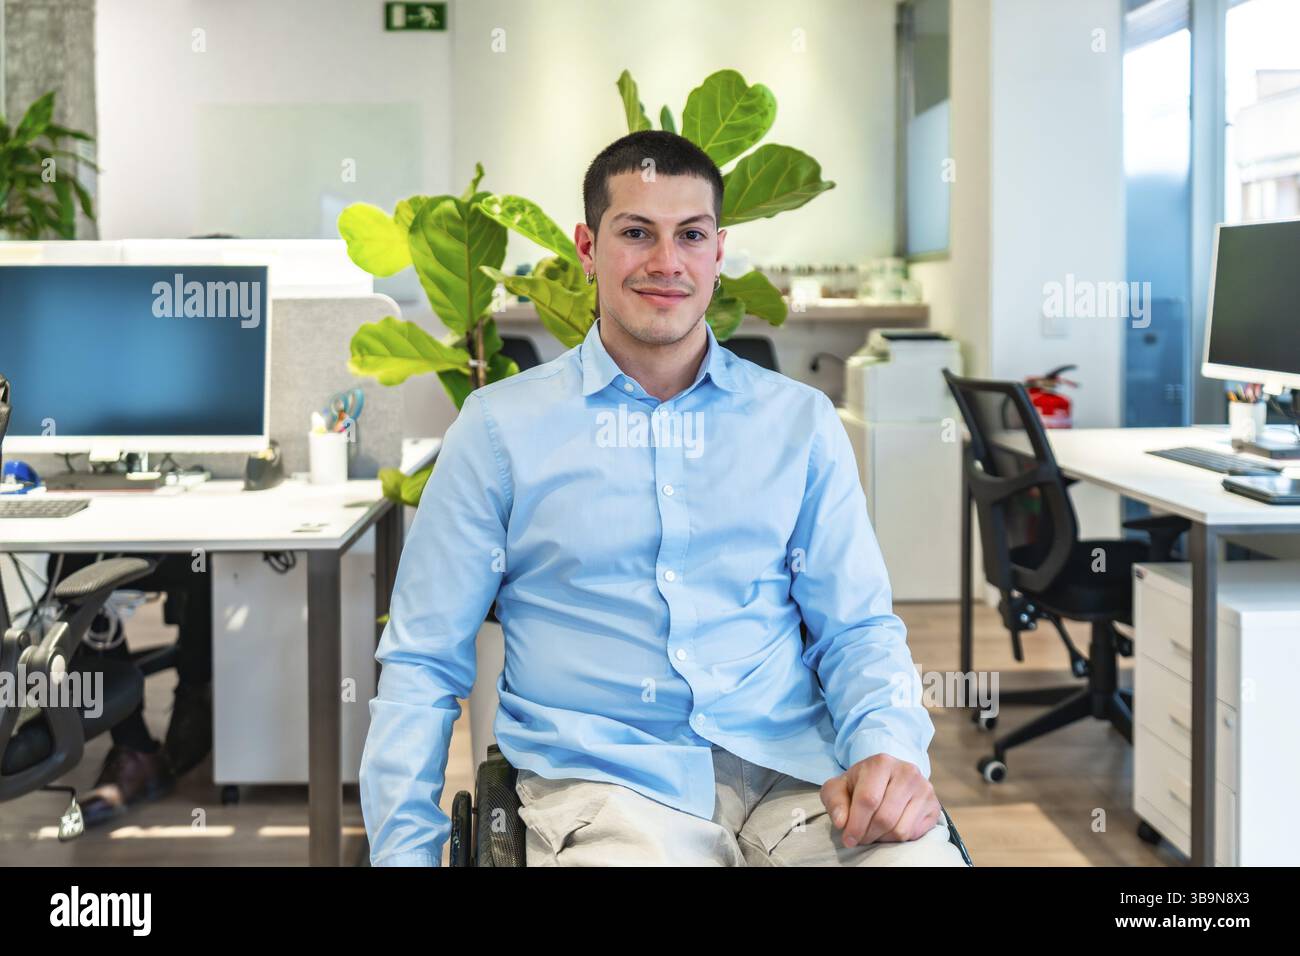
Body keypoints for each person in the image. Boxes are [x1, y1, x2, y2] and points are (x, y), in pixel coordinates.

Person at [359, 130, 964, 866]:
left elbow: (858, 629)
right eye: (636, 233)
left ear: (718, 251)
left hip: (800, 778)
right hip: (607, 790)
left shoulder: (799, 424)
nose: (666, 262)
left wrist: (887, 749)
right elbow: (423, 661)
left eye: (691, 235)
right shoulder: (498, 431)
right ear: (587, 246)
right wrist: (404, 856)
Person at [47, 552, 213, 826]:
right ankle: (134, 746)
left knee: (209, 559)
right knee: (70, 566)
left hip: (195, 542)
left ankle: (195, 689)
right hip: (122, 534)